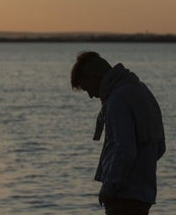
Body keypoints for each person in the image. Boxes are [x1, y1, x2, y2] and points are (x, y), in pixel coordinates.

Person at [70, 51, 165, 215]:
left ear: (94, 77)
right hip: (144, 194)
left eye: (87, 89)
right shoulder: (140, 90)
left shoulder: (117, 101)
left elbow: (124, 150)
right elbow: (160, 146)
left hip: (124, 197)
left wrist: (109, 188)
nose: (91, 96)